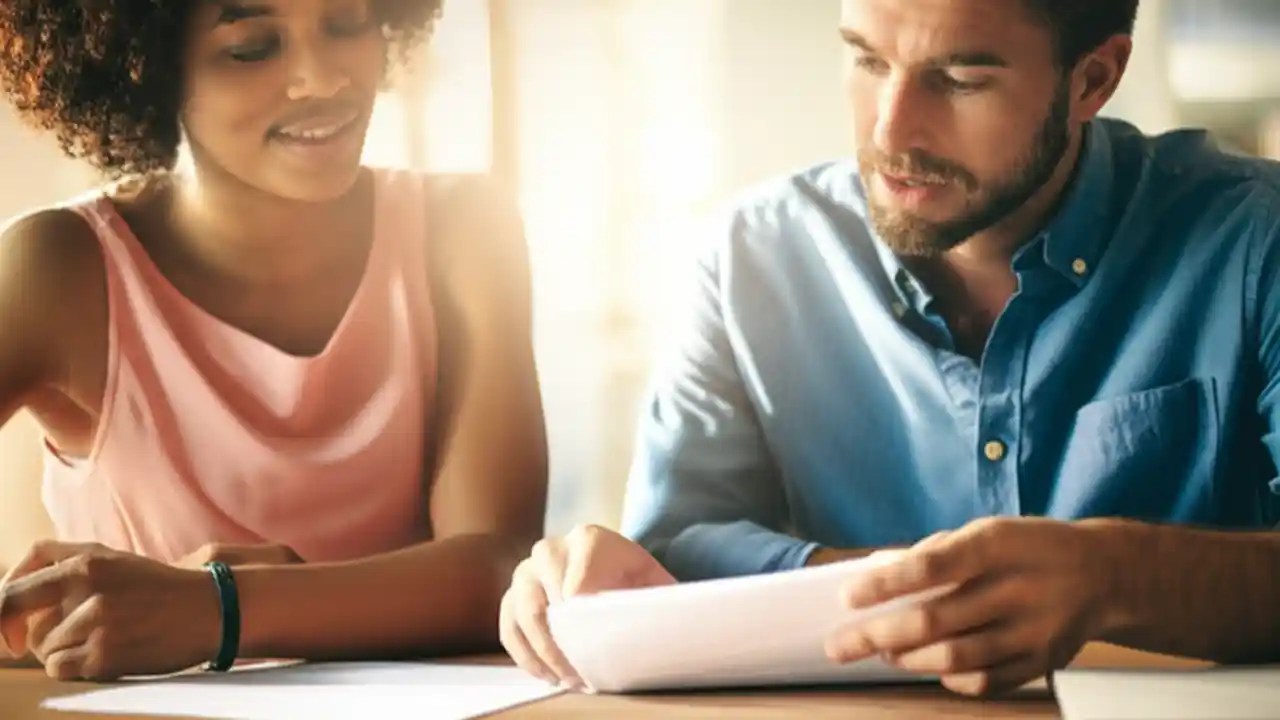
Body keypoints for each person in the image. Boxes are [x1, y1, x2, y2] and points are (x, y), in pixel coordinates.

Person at [500, 0, 1280, 697]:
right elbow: (673, 553)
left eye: (960, 79)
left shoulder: (1254, 242)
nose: (890, 131)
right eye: (869, 60)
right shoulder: (752, 257)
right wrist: (590, 576)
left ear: (1093, 80)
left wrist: (1112, 575)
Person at [0, 0, 547, 681]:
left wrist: (218, 608)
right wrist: (37, 614)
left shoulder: (463, 228)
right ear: (151, 68)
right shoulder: (59, 266)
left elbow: (499, 566)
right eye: (254, 47)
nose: (320, 79)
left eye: (346, 24)